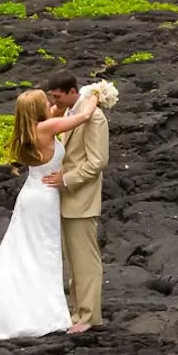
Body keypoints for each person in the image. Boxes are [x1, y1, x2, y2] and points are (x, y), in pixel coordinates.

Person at [0, 88, 101, 340]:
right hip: (44, 197)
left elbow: (56, 112)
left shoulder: (28, 129)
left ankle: (25, 302)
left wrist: (59, 105)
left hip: (31, 194)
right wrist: (94, 97)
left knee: (23, 250)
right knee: (43, 251)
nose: (50, 103)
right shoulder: (47, 128)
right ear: (38, 108)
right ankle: (43, 312)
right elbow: (82, 118)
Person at [43, 72, 110, 333]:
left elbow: (97, 161)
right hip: (66, 198)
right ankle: (78, 311)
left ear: (72, 91)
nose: (55, 101)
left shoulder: (93, 117)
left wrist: (66, 179)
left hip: (81, 198)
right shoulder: (71, 111)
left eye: (58, 96)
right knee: (73, 260)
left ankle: (89, 316)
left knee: (85, 260)